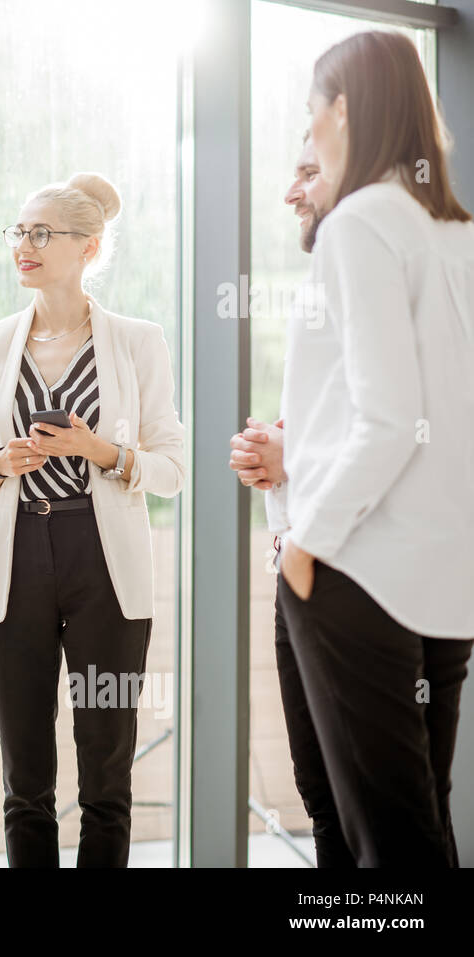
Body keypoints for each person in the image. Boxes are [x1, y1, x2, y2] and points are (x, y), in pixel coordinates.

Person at [277, 30, 474, 867]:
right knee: (420, 823)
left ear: (344, 110)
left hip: (360, 568)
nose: (311, 132)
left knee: (386, 850)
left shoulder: (361, 222)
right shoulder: (457, 233)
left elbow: (388, 419)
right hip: (447, 578)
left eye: (312, 113)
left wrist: (305, 540)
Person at [0, 173, 185, 867]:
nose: (22, 245)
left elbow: (172, 468)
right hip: (18, 555)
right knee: (24, 778)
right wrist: (1, 461)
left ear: (88, 248)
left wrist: (100, 450)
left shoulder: (139, 341)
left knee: (105, 775)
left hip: (104, 563)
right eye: (18, 231)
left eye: (40, 233)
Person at [228, 135, 354, 867]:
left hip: (353, 581)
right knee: (323, 795)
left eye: (307, 172)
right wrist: (276, 456)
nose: (289, 193)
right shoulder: (323, 284)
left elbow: (408, 434)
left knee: (371, 805)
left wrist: (290, 456)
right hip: (300, 567)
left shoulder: (392, 276)